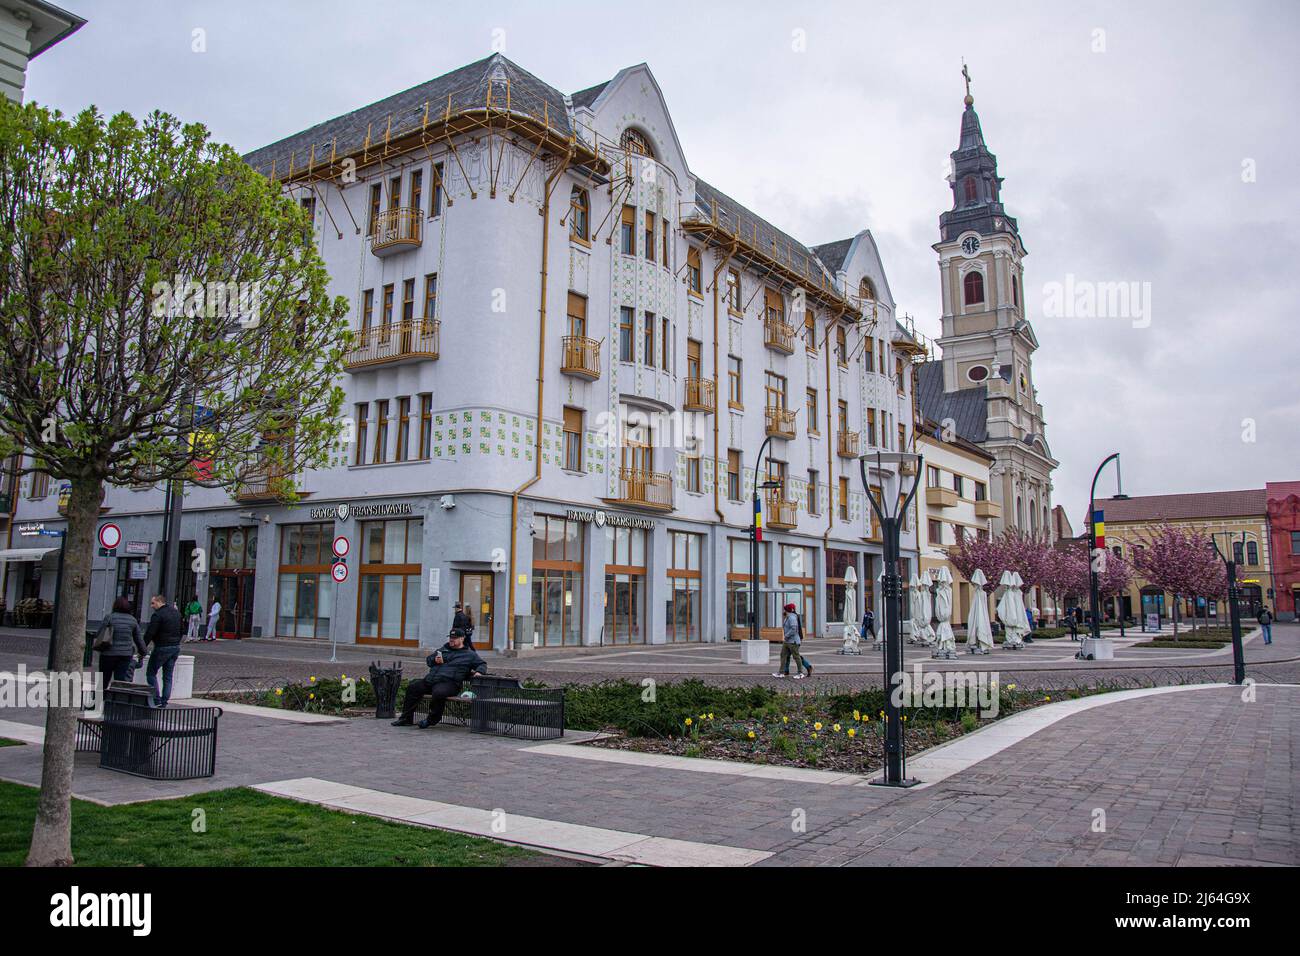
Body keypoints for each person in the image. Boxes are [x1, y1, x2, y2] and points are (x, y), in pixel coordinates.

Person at [392, 628, 487, 728]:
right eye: (450, 637)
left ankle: (431, 720)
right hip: (431, 680)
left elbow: (482, 664)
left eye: (454, 638)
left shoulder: (469, 655)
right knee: (413, 687)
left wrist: (479, 672)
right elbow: (429, 660)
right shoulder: (443, 650)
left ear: (462, 639)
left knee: (438, 692)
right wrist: (434, 660)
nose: (451, 640)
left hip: (450, 684)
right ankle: (406, 718)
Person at [97, 596, 149, 689]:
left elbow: (100, 633)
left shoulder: (109, 617)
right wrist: (143, 652)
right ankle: (116, 701)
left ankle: (97, 701)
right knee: (120, 681)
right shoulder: (132, 620)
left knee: (103, 680)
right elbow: (138, 639)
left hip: (108, 653)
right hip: (125, 655)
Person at [142, 594, 184, 708]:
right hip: (175, 647)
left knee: (151, 673)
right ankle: (164, 701)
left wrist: (142, 647)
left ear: (160, 602)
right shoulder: (176, 613)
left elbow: (150, 633)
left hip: (162, 646)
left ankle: (156, 699)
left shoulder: (158, 615)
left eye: (153, 603)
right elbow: (182, 630)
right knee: (168, 676)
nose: (151, 606)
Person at [772, 603, 812, 680]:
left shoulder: (792, 617)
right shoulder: (788, 617)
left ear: (787, 610)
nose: (783, 611)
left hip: (793, 641)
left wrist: (786, 635)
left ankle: (801, 672)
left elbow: (794, 629)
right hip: (787, 641)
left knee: (796, 656)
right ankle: (782, 672)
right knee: (784, 655)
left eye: (784, 609)